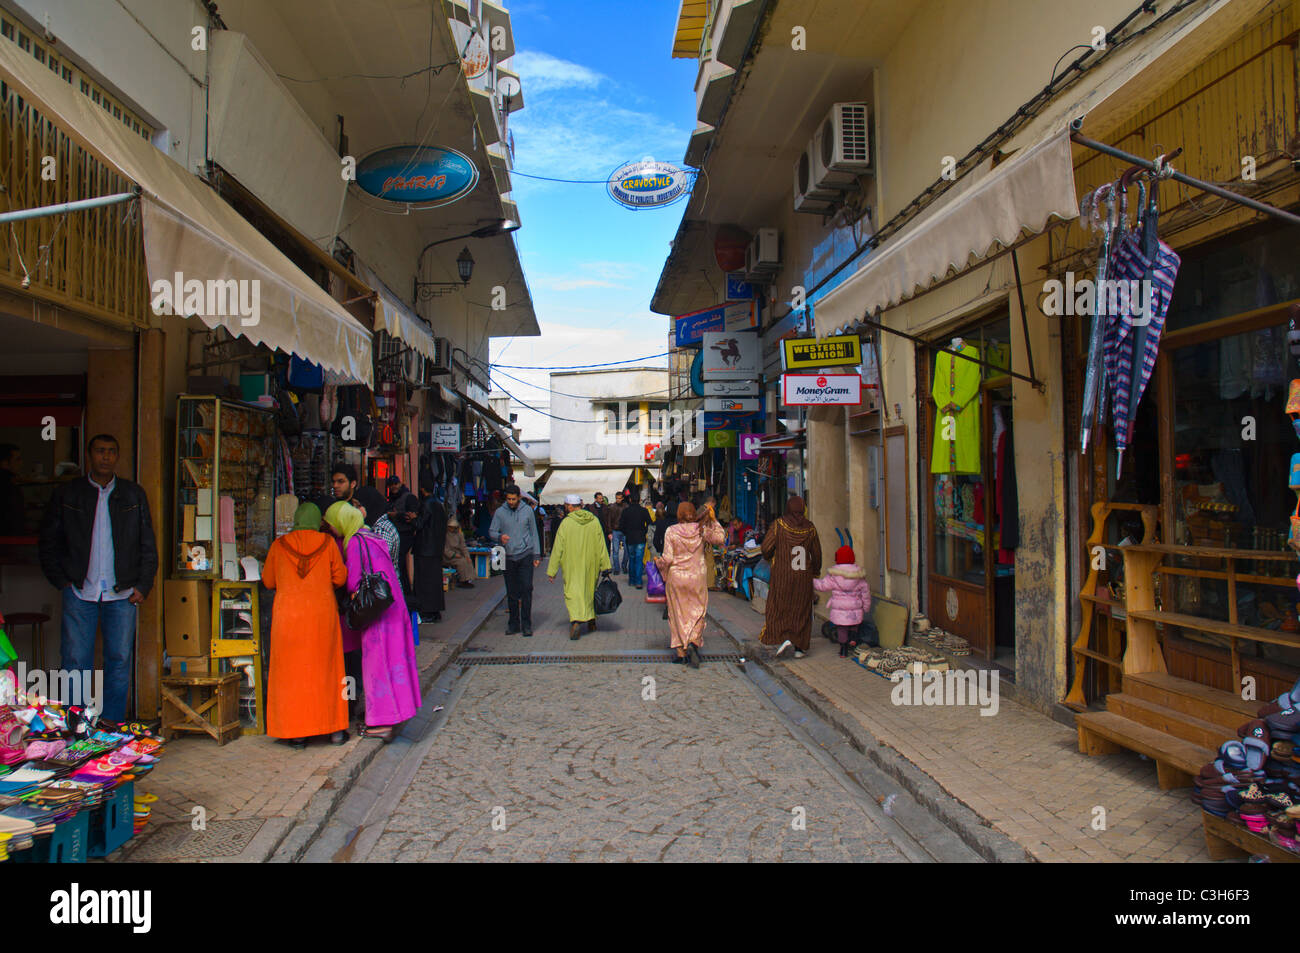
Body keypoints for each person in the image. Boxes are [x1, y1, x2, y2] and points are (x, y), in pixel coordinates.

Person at [37, 433, 158, 723]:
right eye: (100, 451)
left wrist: (143, 585)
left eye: (111, 451)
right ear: (90, 455)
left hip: (122, 592)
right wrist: (61, 581)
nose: (106, 456)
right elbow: (48, 541)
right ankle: (76, 726)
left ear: (117, 457)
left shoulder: (132, 494)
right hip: (80, 590)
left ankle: (111, 725)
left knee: (119, 661)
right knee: (76, 662)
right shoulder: (69, 494)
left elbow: (147, 543)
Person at [324, 501, 421, 743]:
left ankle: (381, 723)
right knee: (393, 663)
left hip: (377, 615)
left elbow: (354, 581)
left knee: (377, 667)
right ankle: (396, 714)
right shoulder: (372, 535)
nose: (331, 529)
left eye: (332, 524)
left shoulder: (355, 542)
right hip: (393, 608)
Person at [262, 502, 349, 748]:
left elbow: (268, 581)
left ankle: (297, 733)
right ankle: (334, 731)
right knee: (328, 672)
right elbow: (340, 577)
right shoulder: (329, 544)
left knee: (292, 675)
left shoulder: (279, 545)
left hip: (288, 619)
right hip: (322, 617)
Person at [655, 501, 725, 668]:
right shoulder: (701, 529)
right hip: (697, 577)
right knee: (698, 611)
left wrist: (659, 564)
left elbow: (668, 558)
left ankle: (681, 652)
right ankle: (693, 641)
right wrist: (713, 520)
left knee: (677, 613)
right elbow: (720, 538)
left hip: (677, 577)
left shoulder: (671, 531)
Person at [759, 496, 822, 659]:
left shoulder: (779, 525)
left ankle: (782, 638)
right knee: (801, 610)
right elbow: (816, 554)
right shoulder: (810, 528)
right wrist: (815, 572)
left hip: (782, 575)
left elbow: (766, 548)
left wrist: (771, 557)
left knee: (779, 607)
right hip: (803, 576)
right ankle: (799, 647)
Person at [547, 494, 610, 641]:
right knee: (589, 591)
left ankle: (576, 621)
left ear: (570, 506)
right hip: (591, 564)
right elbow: (602, 545)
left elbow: (558, 548)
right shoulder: (594, 521)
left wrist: (552, 570)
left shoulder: (566, 523)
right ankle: (591, 619)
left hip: (571, 565)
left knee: (573, 592)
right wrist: (605, 564)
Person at [490, 483, 541, 636]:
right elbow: (492, 531)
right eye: (508, 499)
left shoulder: (527, 511)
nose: (511, 502)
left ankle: (526, 624)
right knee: (511, 592)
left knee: (526, 589)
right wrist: (500, 537)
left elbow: (534, 533)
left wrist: (536, 555)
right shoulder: (500, 512)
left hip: (525, 554)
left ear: (519, 497)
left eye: (513, 499)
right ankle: (513, 623)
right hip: (508, 556)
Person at [813, 545, 873, 659]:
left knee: (842, 629)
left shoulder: (834, 575)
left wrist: (811, 581)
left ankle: (843, 650)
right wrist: (866, 607)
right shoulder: (859, 575)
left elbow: (822, 586)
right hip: (855, 609)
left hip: (839, 609)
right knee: (854, 625)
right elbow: (866, 593)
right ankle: (853, 639)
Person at [412, 475, 447, 624]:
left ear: (422, 489)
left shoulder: (427, 504)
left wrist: (413, 518)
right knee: (435, 582)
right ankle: (435, 611)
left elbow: (420, 524)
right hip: (436, 549)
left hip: (425, 549)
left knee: (425, 582)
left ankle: (427, 611)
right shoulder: (439, 504)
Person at [354, 486, 400, 570]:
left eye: (358, 506)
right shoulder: (377, 525)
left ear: (369, 504)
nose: (355, 510)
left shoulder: (380, 531)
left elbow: (378, 565)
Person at [618, 494, 652, 589]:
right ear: (640, 500)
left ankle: (631, 580)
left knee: (632, 559)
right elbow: (649, 523)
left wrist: (626, 532)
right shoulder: (644, 511)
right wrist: (644, 530)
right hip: (640, 537)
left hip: (630, 538)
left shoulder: (626, 511)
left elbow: (621, 525)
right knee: (639, 560)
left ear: (630, 499)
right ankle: (638, 581)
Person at [443, 518, 476, 588]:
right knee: (462, 562)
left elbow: (463, 547)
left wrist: (467, 556)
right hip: (448, 556)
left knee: (468, 561)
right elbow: (444, 549)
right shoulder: (444, 535)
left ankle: (468, 579)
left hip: (458, 554)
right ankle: (463, 580)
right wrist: (454, 555)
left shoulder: (459, 534)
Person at [0, 443, 25, 535]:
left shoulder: (10, 483)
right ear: (4, 463)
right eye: (17, 459)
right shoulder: (8, 485)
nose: (21, 463)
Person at [605, 490, 627, 575]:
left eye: (619, 498)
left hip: (623, 531)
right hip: (616, 530)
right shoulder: (612, 507)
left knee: (626, 551)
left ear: (622, 498)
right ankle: (617, 568)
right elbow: (609, 520)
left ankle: (623, 566)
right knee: (615, 551)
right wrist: (610, 532)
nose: (618, 500)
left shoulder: (625, 507)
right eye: (617, 498)